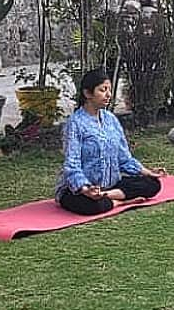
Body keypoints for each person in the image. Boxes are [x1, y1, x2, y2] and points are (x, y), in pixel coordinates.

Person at [56, 68, 166, 215]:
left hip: (111, 185)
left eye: (109, 89)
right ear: (88, 94)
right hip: (83, 189)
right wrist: (86, 189)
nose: (108, 95)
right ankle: (117, 201)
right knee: (90, 205)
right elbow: (72, 165)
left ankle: (108, 197)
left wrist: (149, 172)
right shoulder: (75, 123)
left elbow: (124, 159)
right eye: (102, 90)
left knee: (153, 185)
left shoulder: (111, 119)